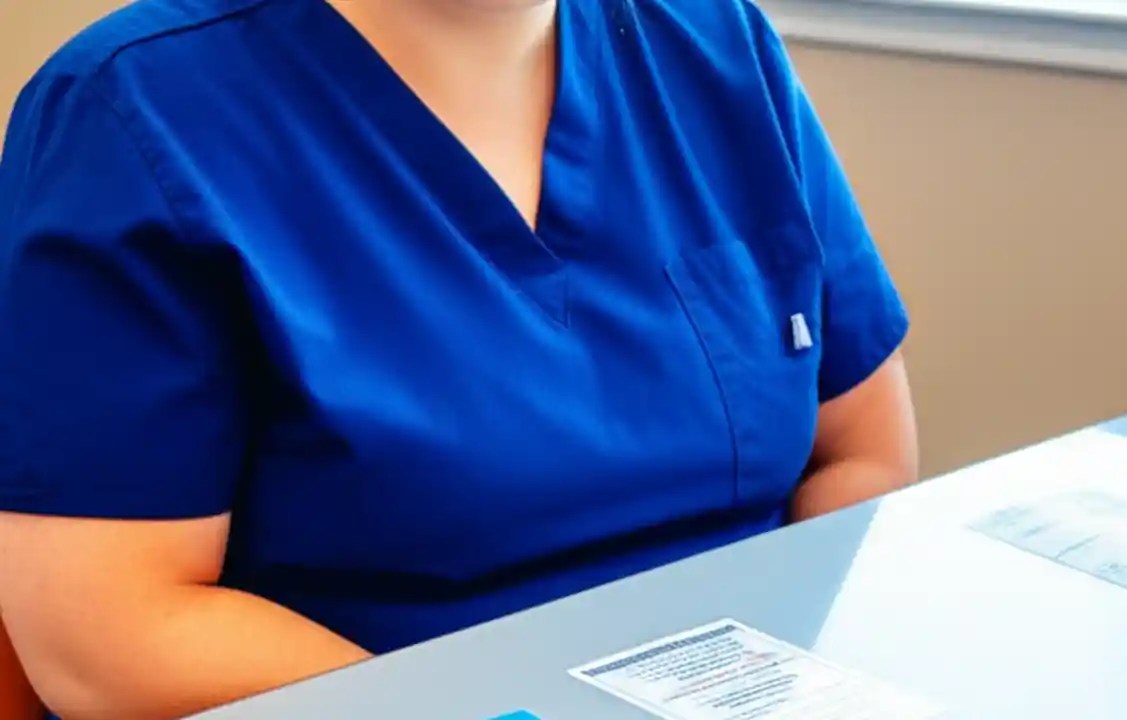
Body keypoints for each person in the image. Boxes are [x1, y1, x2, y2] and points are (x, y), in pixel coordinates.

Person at [0, 0, 917, 717]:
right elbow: (104, 636)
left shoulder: (720, 49)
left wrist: (787, 684)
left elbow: (863, 449)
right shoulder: (135, 110)